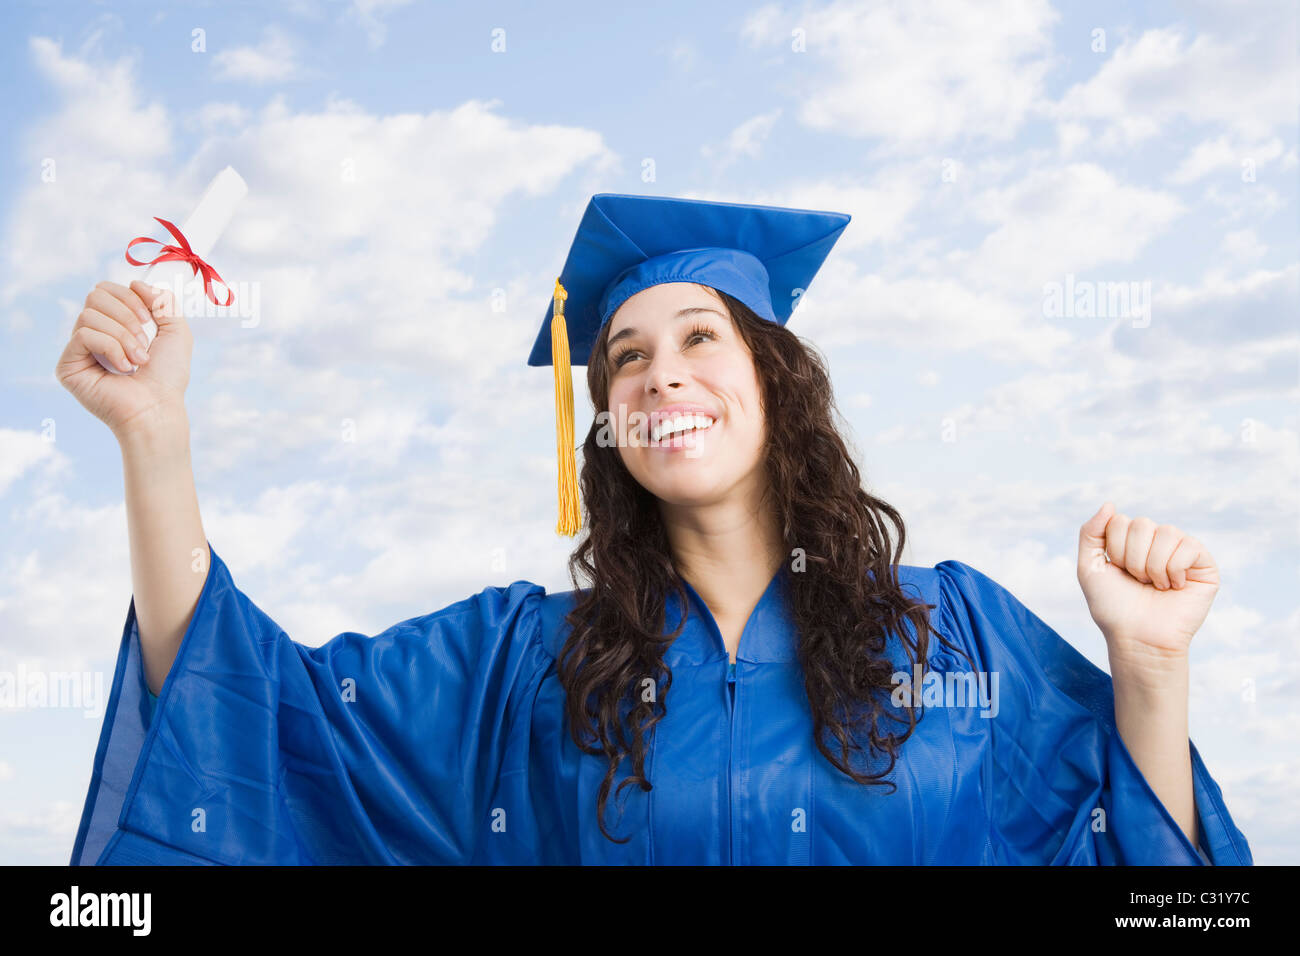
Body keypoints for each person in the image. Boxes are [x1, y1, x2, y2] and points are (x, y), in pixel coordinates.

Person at [60, 193, 1252, 865]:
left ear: (775, 379)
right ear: (606, 421)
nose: (657, 376)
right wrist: (154, 435)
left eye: (698, 339)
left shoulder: (958, 638)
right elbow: (249, 714)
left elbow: (1135, 859)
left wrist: (1148, 668)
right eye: (624, 356)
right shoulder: (524, 662)